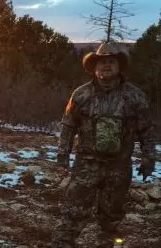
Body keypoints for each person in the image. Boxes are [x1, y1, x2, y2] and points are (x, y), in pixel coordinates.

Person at [51, 42, 156, 248]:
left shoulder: (134, 96)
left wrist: (148, 157)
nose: (106, 66)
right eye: (101, 62)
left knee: (110, 220)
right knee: (72, 214)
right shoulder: (81, 95)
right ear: (94, 66)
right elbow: (68, 126)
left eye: (111, 62)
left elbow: (146, 130)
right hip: (86, 166)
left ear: (119, 66)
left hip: (118, 168)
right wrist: (63, 154)